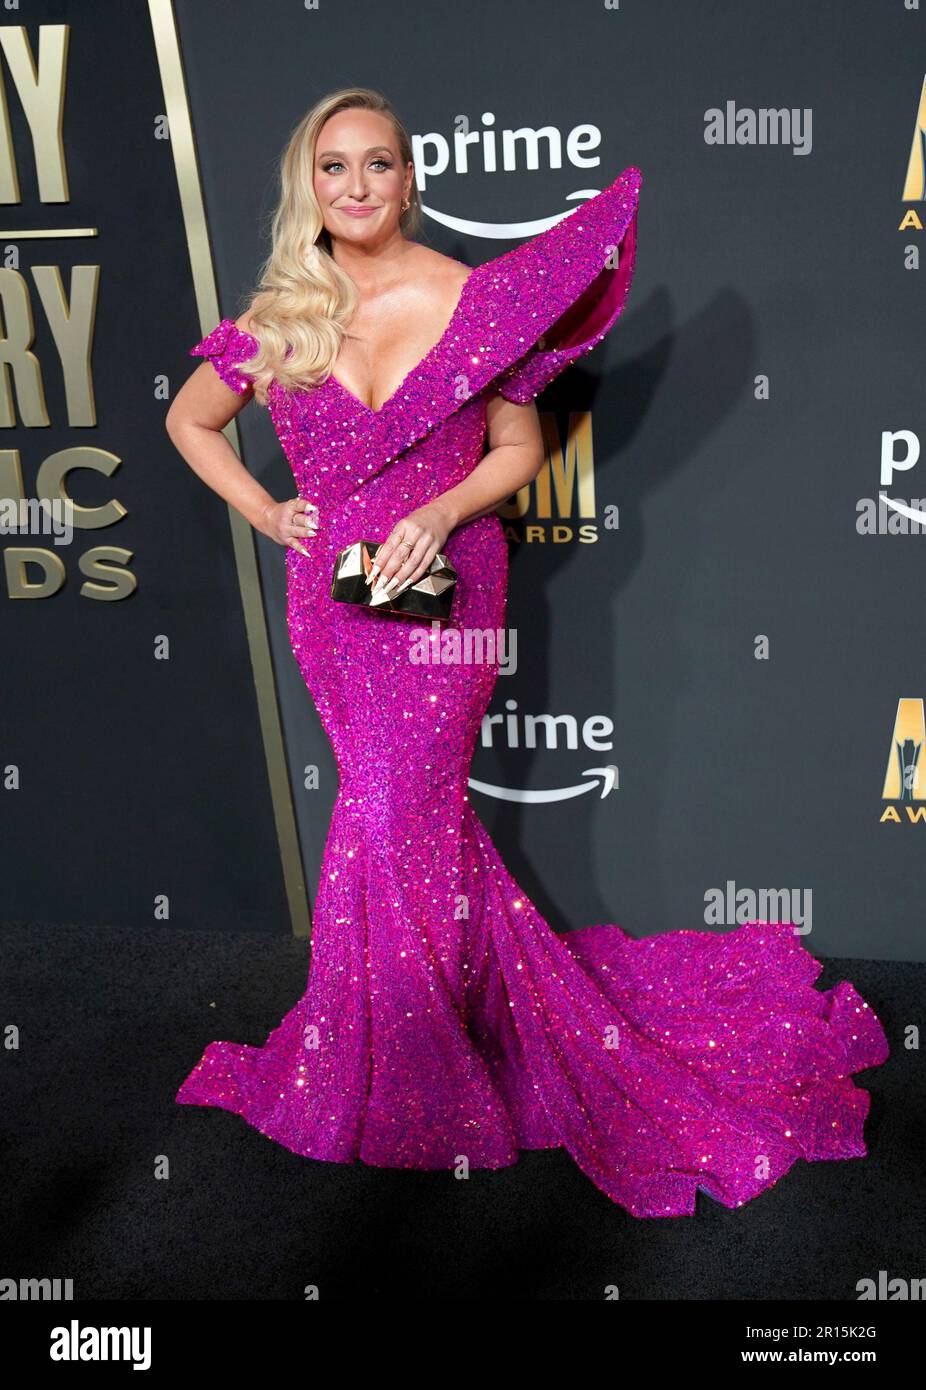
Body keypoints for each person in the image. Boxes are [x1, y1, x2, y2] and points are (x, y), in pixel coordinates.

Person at [166, 87, 888, 1218]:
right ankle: (409, 1034)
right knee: (384, 811)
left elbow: (518, 446)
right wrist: (268, 513)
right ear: (305, 184)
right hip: (332, 604)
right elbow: (187, 419)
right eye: (334, 167)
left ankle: (397, 1063)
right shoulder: (278, 314)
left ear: (411, 179)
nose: (357, 187)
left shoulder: (472, 299)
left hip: (449, 593)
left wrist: (440, 510)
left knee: (399, 808)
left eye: (379, 165)